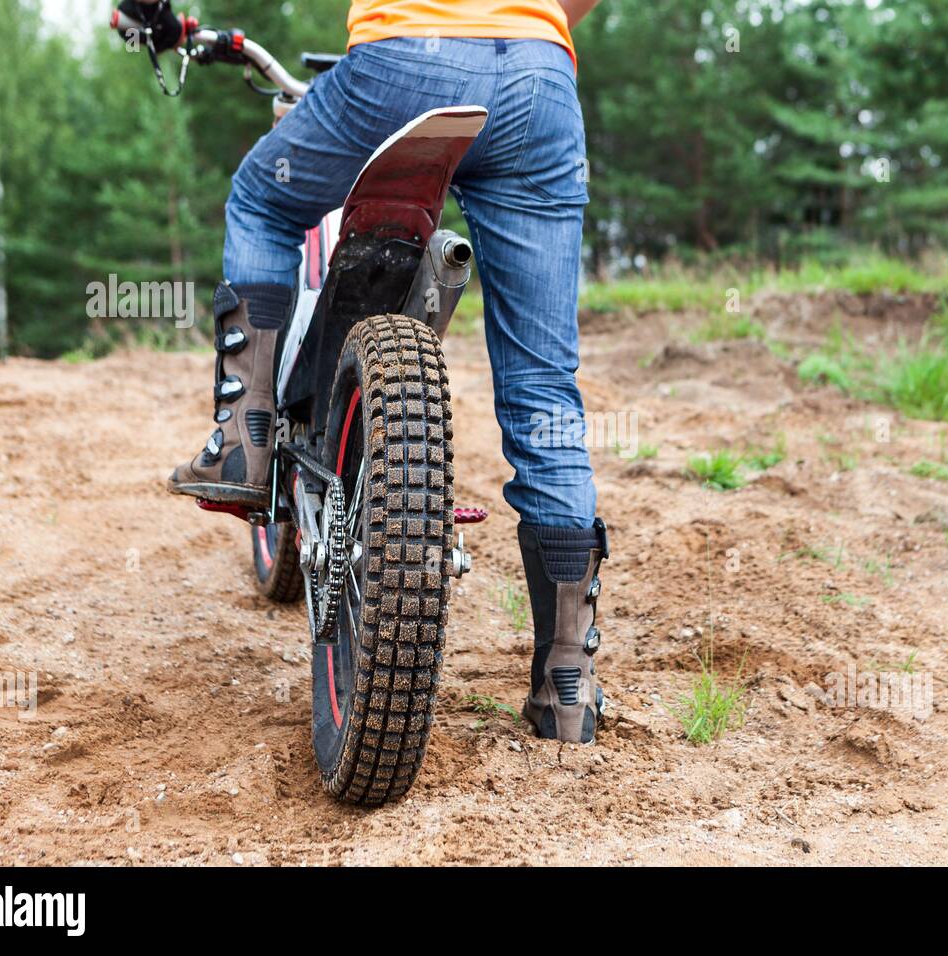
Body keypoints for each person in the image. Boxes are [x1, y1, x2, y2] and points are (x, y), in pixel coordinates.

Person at [127, 0, 608, 743]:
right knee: (545, 388)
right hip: (541, 80)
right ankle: (566, 691)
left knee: (260, 200)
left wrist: (150, 13)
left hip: (403, 60)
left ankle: (245, 438)